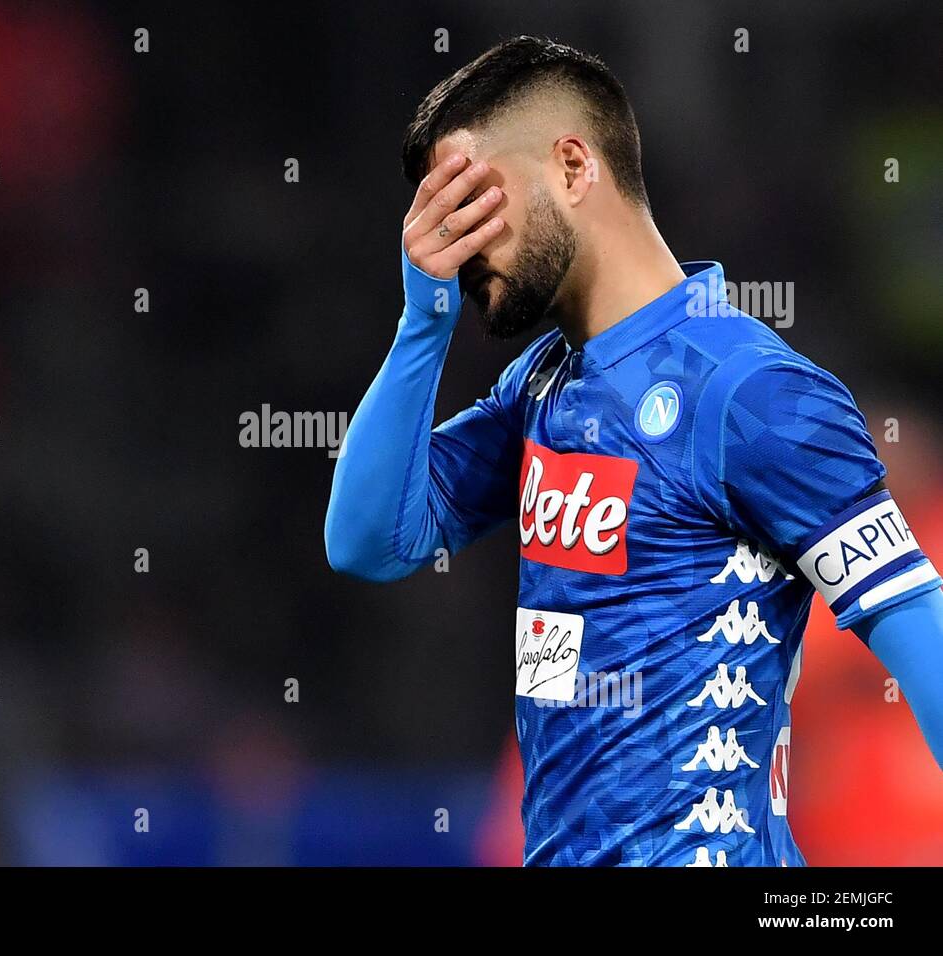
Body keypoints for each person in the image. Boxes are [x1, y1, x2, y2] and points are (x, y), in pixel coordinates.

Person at [324, 36, 943, 866]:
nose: (456, 241)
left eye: (472, 199)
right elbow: (369, 543)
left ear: (575, 168)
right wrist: (420, 326)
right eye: (437, 210)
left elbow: (917, 624)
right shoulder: (538, 390)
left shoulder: (751, 393)